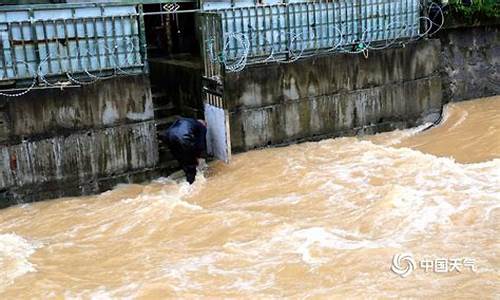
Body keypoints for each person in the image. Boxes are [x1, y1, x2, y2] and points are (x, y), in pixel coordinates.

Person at [159, 118, 207, 184]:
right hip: (183, 138)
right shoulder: (202, 127)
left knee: (182, 159)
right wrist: (200, 157)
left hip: (168, 136)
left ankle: (182, 175)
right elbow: (201, 144)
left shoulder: (185, 120)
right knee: (191, 166)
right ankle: (190, 186)